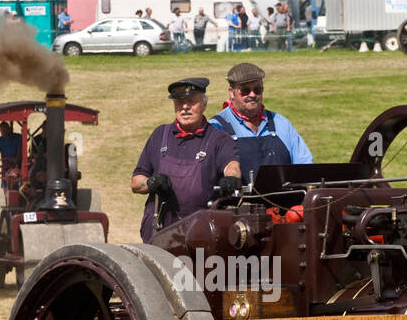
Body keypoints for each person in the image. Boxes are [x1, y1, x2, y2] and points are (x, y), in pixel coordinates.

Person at [132, 77, 242, 241]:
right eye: (179, 102)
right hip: (159, 232)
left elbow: (232, 167)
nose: (184, 107)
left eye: (191, 102)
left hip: (200, 234)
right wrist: (150, 183)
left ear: (204, 104)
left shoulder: (219, 139)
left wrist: (232, 179)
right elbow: (135, 182)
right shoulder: (159, 135)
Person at [209, 63, 314, 182]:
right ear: (231, 92)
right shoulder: (216, 127)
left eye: (257, 90)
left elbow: (304, 166)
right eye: (245, 91)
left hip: (283, 198)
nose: (252, 95)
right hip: (238, 200)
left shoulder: (280, 123)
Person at [0, 120, 21, 208]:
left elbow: (21, 152)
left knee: (18, 184)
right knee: (5, 186)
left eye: (5, 130)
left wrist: (16, 160)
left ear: (10, 129)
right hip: (6, 168)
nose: (4, 132)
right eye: (2, 130)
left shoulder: (18, 138)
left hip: (18, 167)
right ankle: (7, 202)